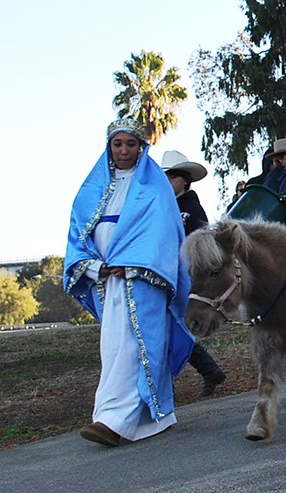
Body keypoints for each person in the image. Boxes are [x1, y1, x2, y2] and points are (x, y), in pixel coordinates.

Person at [64, 119, 195, 446]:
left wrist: (133, 263)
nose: (124, 151)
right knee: (113, 348)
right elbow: (78, 234)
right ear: (109, 146)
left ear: (141, 147)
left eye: (130, 144)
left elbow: (164, 234)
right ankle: (138, 416)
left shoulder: (155, 188)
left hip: (142, 279)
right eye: (117, 144)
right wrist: (94, 267)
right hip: (107, 282)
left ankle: (112, 420)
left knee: (137, 346)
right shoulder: (92, 188)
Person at [161, 150, 227, 397]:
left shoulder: (191, 208)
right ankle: (208, 370)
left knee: (175, 325)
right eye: (165, 177)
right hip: (166, 272)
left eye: (173, 176)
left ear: (184, 180)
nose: (168, 182)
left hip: (184, 274)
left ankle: (207, 370)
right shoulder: (165, 207)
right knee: (169, 325)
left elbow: (201, 240)